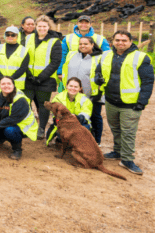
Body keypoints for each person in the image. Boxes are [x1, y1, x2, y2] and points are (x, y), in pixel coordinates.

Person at [95, 30, 153, 175]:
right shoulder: (106, 55)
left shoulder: (140, 58)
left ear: (130, 41)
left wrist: (142, 102)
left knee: (128, 132)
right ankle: (118, 151)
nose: (120, 43)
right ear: (112, 41)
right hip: (111, 100)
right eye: (117, 40)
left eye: (124, 40)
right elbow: (98, 72)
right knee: (115, 128)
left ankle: (127, 159)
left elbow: (148, 81)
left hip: (131, 104)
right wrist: (98, 79)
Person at [0, 76, 38, 160]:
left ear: (13, 85)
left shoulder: (20, 99)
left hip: (20, 127)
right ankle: (2, 138)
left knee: (10, 130)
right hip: (3, 122)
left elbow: (13, 119)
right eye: (3, 84)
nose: (6, 86)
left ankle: (17, 149)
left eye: (9, 83)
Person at [24, 15, 62, 140]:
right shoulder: (28, 38)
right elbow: (23, 56)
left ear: (48, 27)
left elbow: (55, 62)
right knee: (25, 102)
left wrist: (41, 77)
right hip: (29, 78)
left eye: (44, 26)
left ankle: (41, 129)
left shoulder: (54, 41)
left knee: (43, 105)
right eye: (39, 26)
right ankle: (29, 126)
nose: (41, 28)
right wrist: (29, 74)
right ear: (35, 26)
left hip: (45, 79)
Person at [62, 35, 104, 143]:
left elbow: (104, 76)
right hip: (73, 93)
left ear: (92, 45)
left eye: (86, 44)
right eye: (80, 44)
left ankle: (96, 141)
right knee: (75, 116)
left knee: (94, 116)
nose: (82, 46)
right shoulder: (72, 55)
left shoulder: (99, 57)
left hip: (92, 94)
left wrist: (99, 93)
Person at [58, 15, 110, 79]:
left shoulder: (100, 39)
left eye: (86, 22)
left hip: (92, 72)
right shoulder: (68, 38)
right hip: (72, 71)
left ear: (90, 24)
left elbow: (107, 57)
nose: (83, 24)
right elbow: (62, 55)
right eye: (81, 22)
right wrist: (59, 72)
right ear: (77, 24)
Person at [46, 77, 93, 145]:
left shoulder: (85, 100)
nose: (73, 88)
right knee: (62, 131)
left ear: (80, 88)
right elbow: (54, 114)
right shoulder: (58, 97)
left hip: (79, 123)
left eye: (76, 87)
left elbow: (85, 115)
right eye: (71, 86)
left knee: (82, 132)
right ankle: (61, 140)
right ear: (66, 86)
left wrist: (76, 117)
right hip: (63, 122)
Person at [0, 26, 29, 91]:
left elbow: (23, 68)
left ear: (17, 36)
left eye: (13, 35)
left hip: (16, 84)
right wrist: (2, 78)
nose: (10, 37)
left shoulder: (24, 50)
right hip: (0, 83)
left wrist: (10, 79)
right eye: (7, 35)